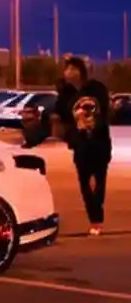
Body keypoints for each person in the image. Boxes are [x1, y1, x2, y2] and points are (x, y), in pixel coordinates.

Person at [53, 57, 112, 236]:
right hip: (80, 145)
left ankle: (98, 217)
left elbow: (106, 111)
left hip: (100, 142)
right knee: (84, 183)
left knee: (100, 182)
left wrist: (96, 123)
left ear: (81, 71)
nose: (69, 72)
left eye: (73, 68)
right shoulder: (65, 95)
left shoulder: (96, 88)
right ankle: (94, 220)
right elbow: (61, 118)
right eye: (67, 69)